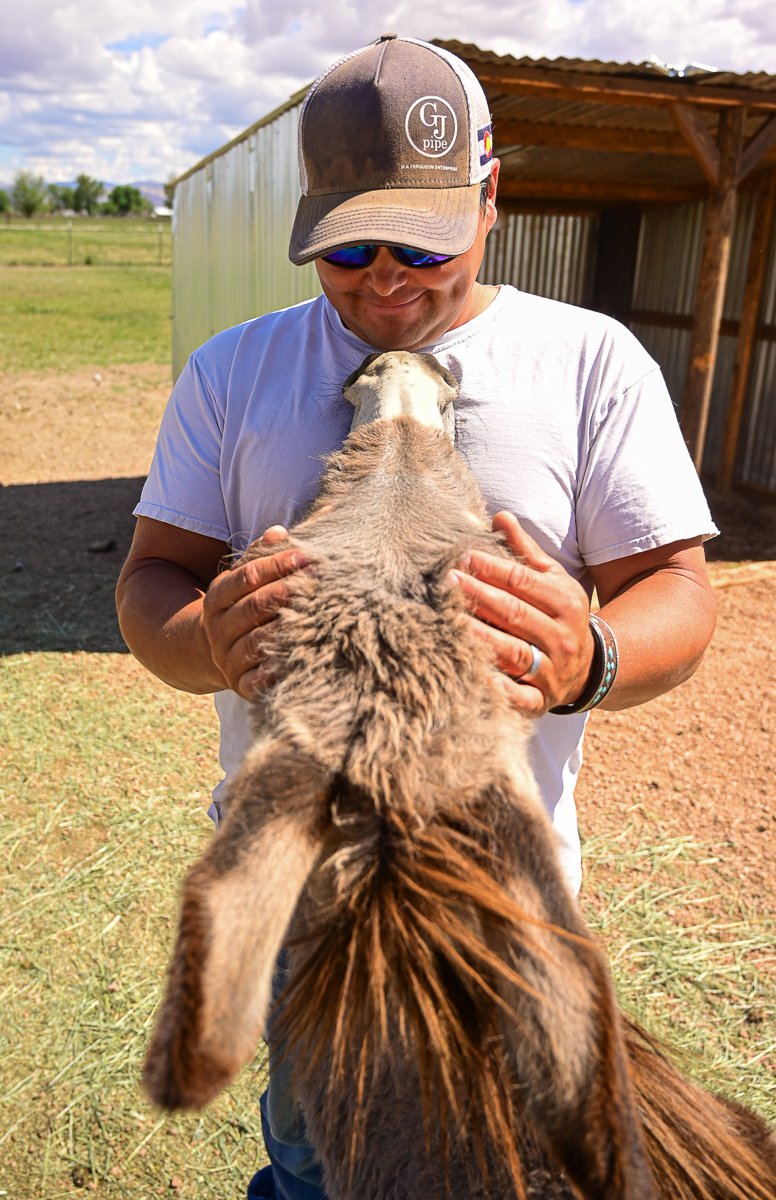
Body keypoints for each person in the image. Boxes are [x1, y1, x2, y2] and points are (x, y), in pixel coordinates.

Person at [116, 34, 718, 1200]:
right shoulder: (230, 374)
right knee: (314, 1164)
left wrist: (591, 654)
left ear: (490, 201)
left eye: (420, 243)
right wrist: (201, 639)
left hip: (502, 894)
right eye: (346, 247)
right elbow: (154, 577)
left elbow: (681, 594)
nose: (383, 277)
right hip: (314, 906)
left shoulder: (591, 365)